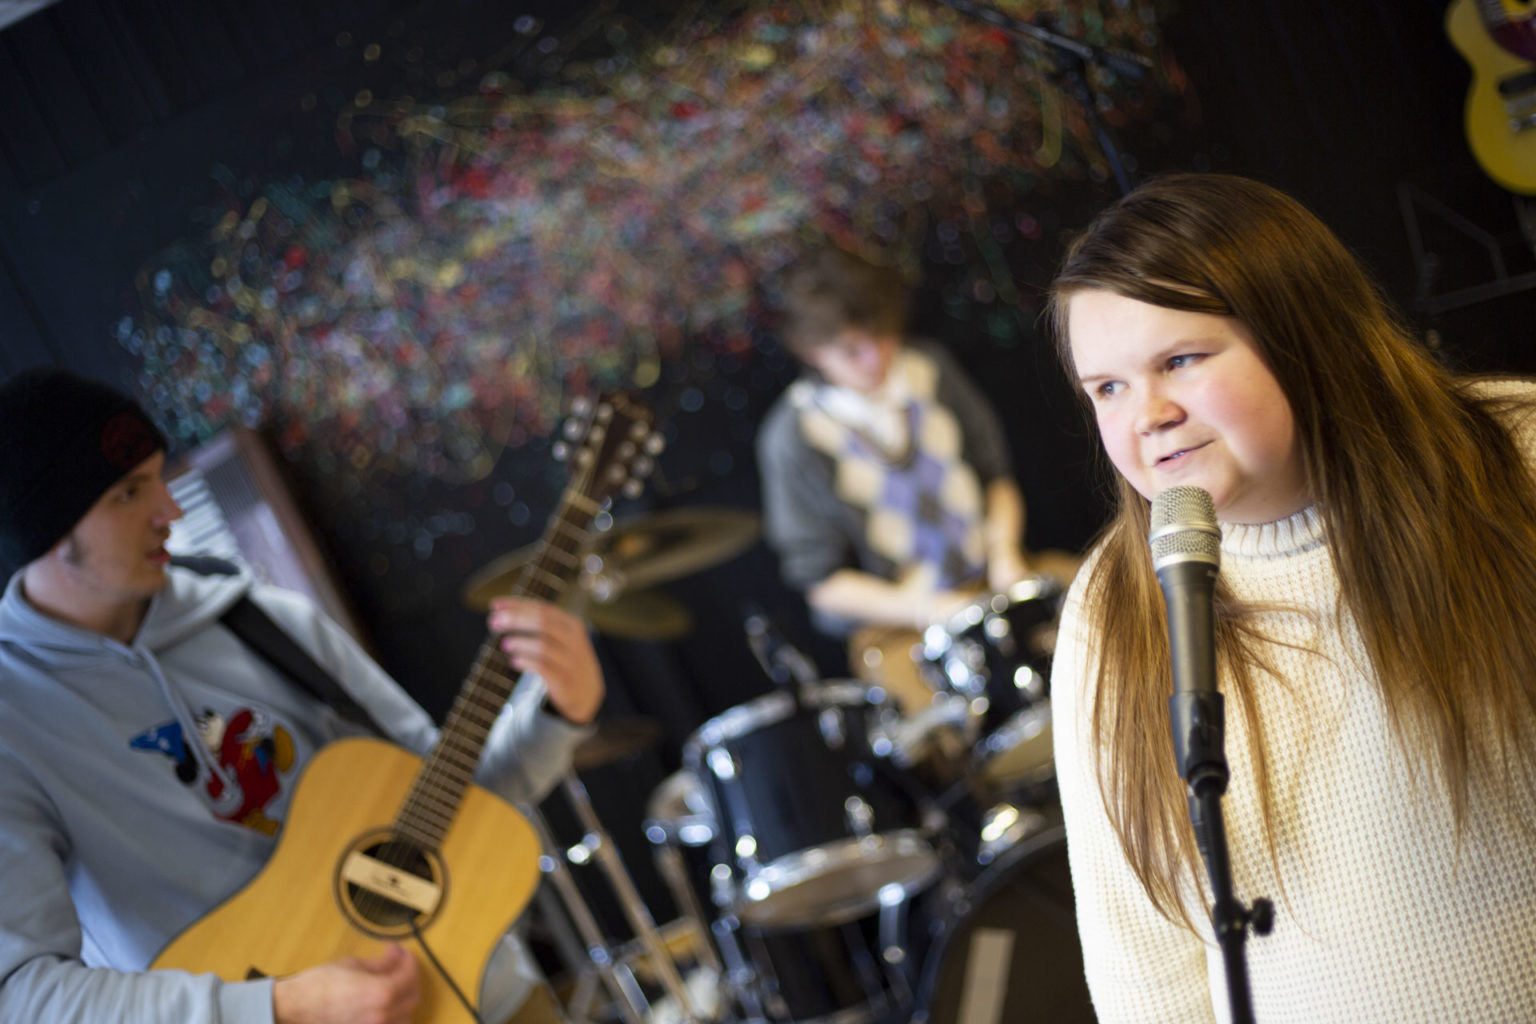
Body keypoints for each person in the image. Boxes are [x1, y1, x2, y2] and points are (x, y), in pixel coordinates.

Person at [1046, 172, 1536, 1022]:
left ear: (1302, 331)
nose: (1147, 414)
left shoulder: (1516, 456)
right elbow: (1142, 965)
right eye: (1108, 388)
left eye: (1181, 360)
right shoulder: (1110, 609)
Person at [0, 368, 606, 1024]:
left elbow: (452, 802)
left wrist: (556, 713)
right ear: (50, 533)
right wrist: (274, 1005)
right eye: (129, 492)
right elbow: (22, 993)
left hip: (491, 997)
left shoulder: (265, 620)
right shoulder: (13, 725)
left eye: (158, 477)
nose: (170, 511)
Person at [756, 247, 1038, 714]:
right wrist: (926, 609)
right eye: (850, 350)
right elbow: (822, 582)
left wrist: (1006, 553)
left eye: (882, 336)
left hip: (992, 582)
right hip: (900, 626)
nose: (874, 357)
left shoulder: (930, 367)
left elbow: (996, 479)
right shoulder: (792, 436)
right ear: (810, 351)